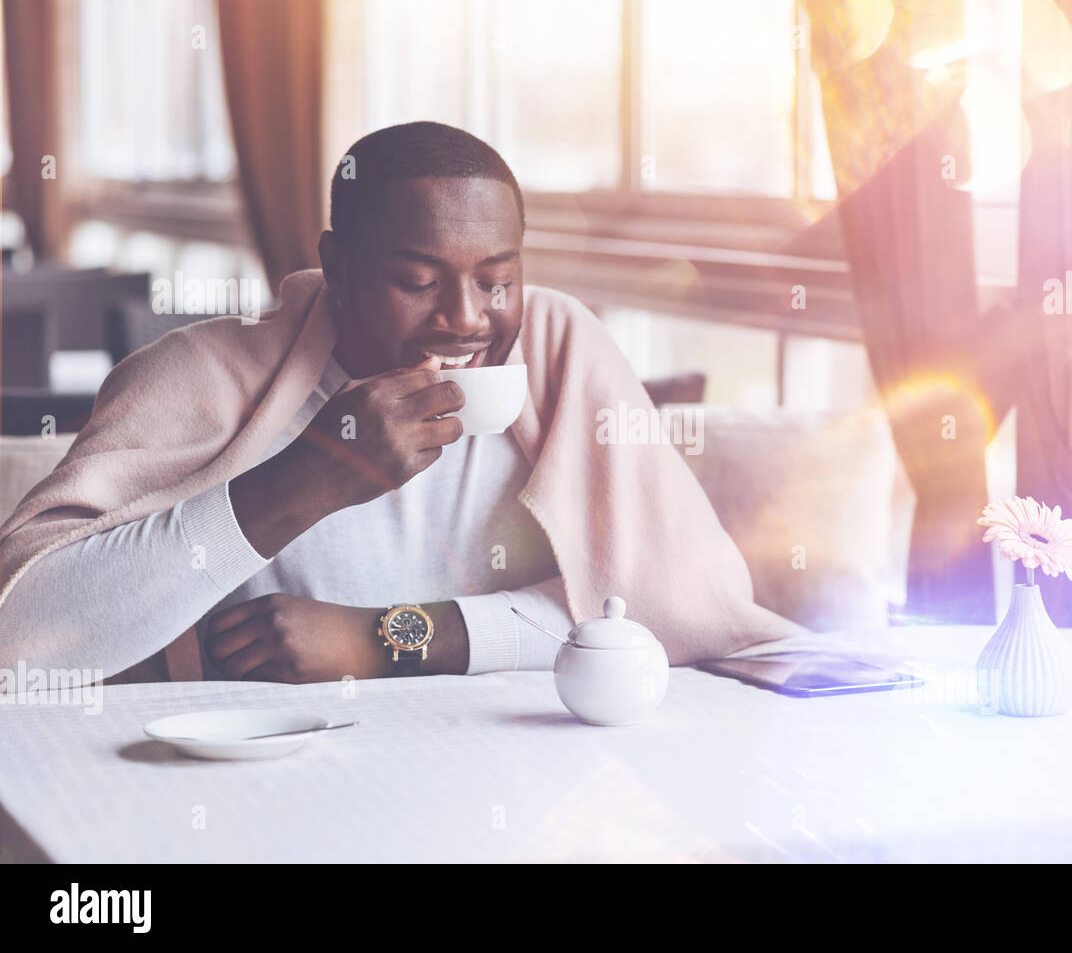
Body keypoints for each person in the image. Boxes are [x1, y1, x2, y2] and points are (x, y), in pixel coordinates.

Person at [0, 122, 799, 684]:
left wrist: (392, 638)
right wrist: (303, 482)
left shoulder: (556, 349)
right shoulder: (202, 373)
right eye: (418, 281)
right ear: (337, 268)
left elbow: (678, 605)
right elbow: (20, 640)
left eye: (498, 280)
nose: (468, 317)